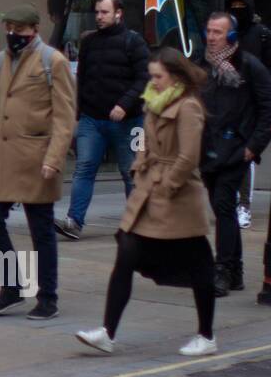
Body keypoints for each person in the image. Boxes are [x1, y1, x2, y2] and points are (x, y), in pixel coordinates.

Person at [75, 48, 218, 357]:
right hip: (150, 190)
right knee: (126, 251)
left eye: (158, 76)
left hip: (177, 197)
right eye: (151, 76)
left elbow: (189, 156)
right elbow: (145, 142)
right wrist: (139, 166)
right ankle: (107, 332)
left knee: (200, 263)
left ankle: (206, 335)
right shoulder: (156, 101)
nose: (152, 82)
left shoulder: (188, 106)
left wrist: (168, 184)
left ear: (176, 77)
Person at [0, 5, 75, 320]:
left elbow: (64, 116)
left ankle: (48, 298)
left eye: (19, 30)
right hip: (2, 156)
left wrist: (55, 158)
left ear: (33, 30)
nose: (13, 35)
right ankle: (11, 289)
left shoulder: (52, 61)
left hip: (37, 158)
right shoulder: (0, 60)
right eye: (9, 28)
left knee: (41, 229)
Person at [197, 12, 271, 297]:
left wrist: (253, 147)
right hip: (207, 150)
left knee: (223, 206)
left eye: (217, 32)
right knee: (225, 212)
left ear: (231, 36)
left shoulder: (250, 66)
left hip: (236, 150)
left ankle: (222, 270)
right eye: (208, 31)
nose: (210, 37)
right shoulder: (202, 66)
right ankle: (236, 272)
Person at [55, 0, 148, 241]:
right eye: (97, 12)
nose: (99, 16)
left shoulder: (134, 42)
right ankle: (74, 222)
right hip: (91, 119)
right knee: (84, 168)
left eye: (104, 12)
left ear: (118, 13)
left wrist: (124, 105)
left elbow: (144, 79)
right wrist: (78, 112)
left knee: (132, 172)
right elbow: (82, 77)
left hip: (129, 121)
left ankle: (138, 223)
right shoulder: (90, 42)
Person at [225, 0, 271, 229]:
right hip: (227, 102)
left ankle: (243, 205)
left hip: (251, 104)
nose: (237, 10)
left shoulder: (263, 35)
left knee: (246, 154)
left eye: (241, 6)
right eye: (233, 6)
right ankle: (232, 202)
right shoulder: (226, 34)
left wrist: (260, 84)